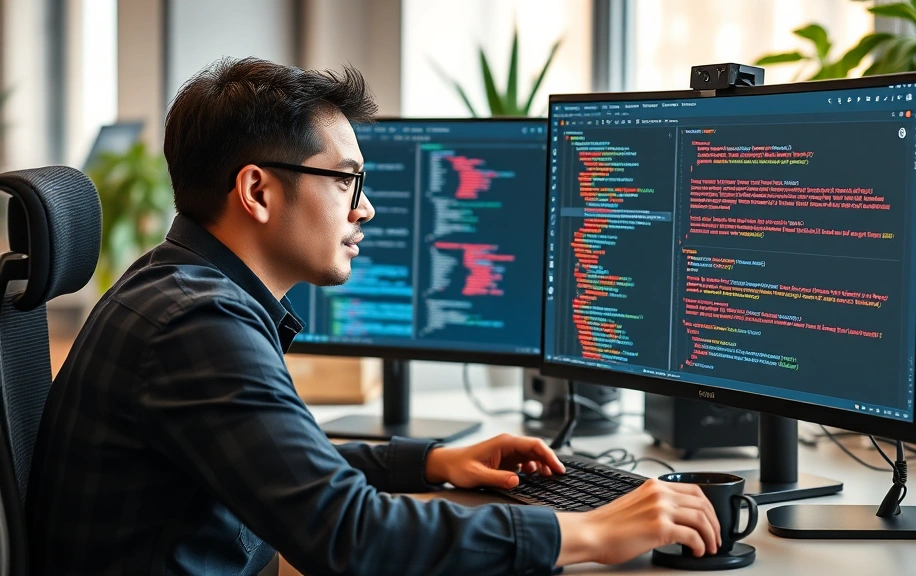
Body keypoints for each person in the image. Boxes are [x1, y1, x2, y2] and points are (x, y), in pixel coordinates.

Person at [26, 57, 721, 576]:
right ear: (258, 190)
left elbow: (274, 459)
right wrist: (591, 534)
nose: (366, 209)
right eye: (347, 181)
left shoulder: (175, 284)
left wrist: (433, 461)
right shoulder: (196, 324)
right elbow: (348, 536)